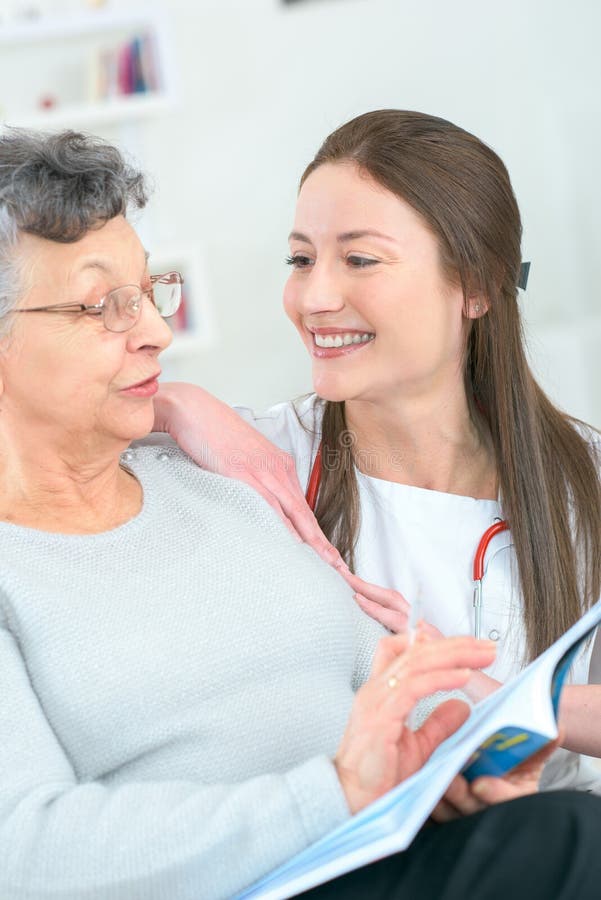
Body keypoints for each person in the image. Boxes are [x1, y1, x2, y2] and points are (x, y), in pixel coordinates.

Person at [1, 129, 600, 900]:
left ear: (475, 287)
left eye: (149, 294)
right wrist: (337, 793)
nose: (156, 331)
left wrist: (450, 761)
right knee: (569, 842)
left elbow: (392, 700)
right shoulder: (259, 463)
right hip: (284, 871)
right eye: (102, 305)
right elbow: (23, 852)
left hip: (388, 847)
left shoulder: (230, 490)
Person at [153, 109, 601, 791]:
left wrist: (495, 701)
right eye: (300, 259)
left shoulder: (582, 479)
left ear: (476, 286)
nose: (313, 296)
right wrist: (172, 400)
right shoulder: (254, 466)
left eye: (359, 260)